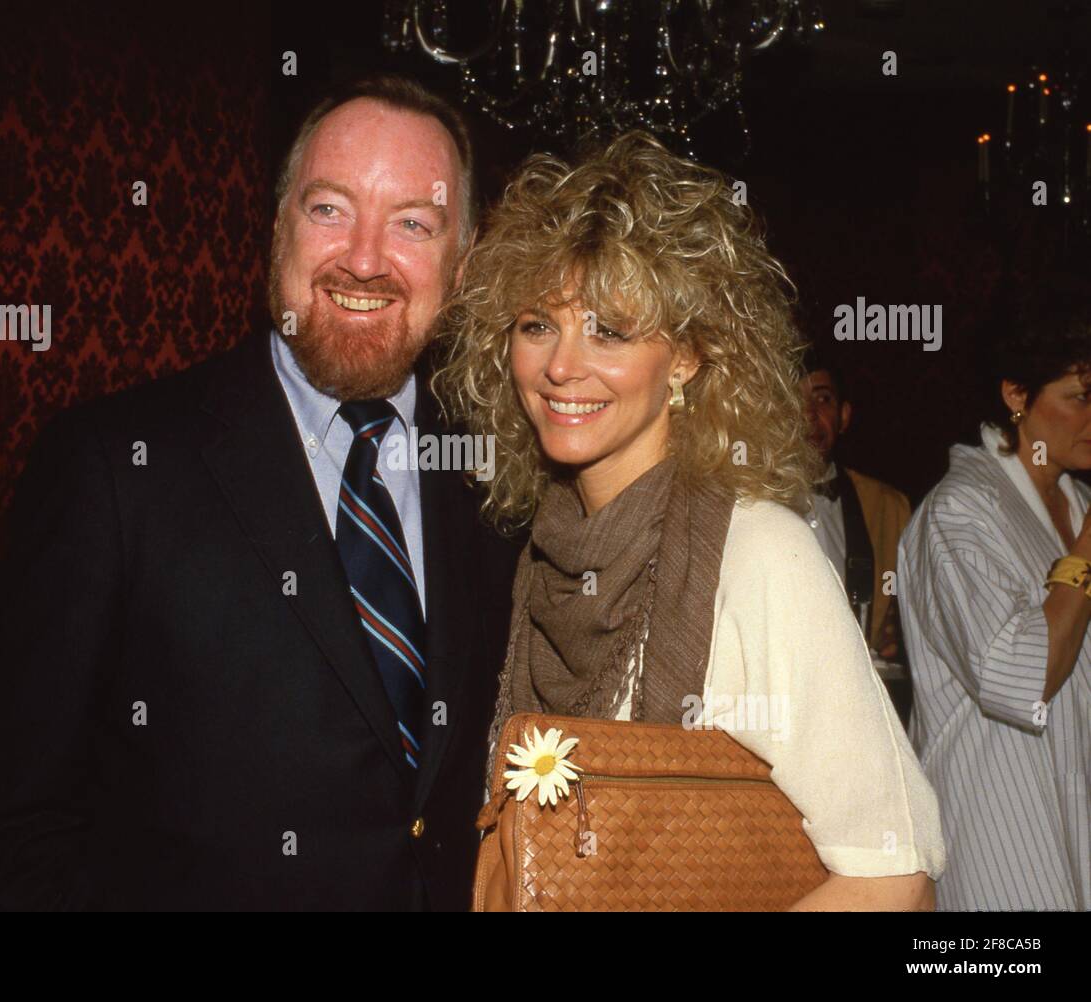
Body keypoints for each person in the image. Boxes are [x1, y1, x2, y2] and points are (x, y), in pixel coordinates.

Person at [0, 74, 518, 910]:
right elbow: (11, 832)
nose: (364, 259)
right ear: (276, 226)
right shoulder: (114, 468)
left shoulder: (497, 475)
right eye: (329, 209)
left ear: (462, 264)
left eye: (412, 223)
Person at [435, 130, 945, 910]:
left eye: (609, 329)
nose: (561, 365)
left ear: (687, 358)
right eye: (538, 324)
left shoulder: (758, 551)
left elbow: (893, 868)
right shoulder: (539, 555)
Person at [898, 280, 1091, 911]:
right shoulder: (957, 514)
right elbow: (1021, 675)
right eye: (1080, 398)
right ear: (1016, 395)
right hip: (1002, 843)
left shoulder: (1076, 502)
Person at [799, 351, 910, 663]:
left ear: (843, 416)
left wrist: (900, 631)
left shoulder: (889, 507)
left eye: (822, 399)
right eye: (792, 400)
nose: (808, 414)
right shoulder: (746, 500)